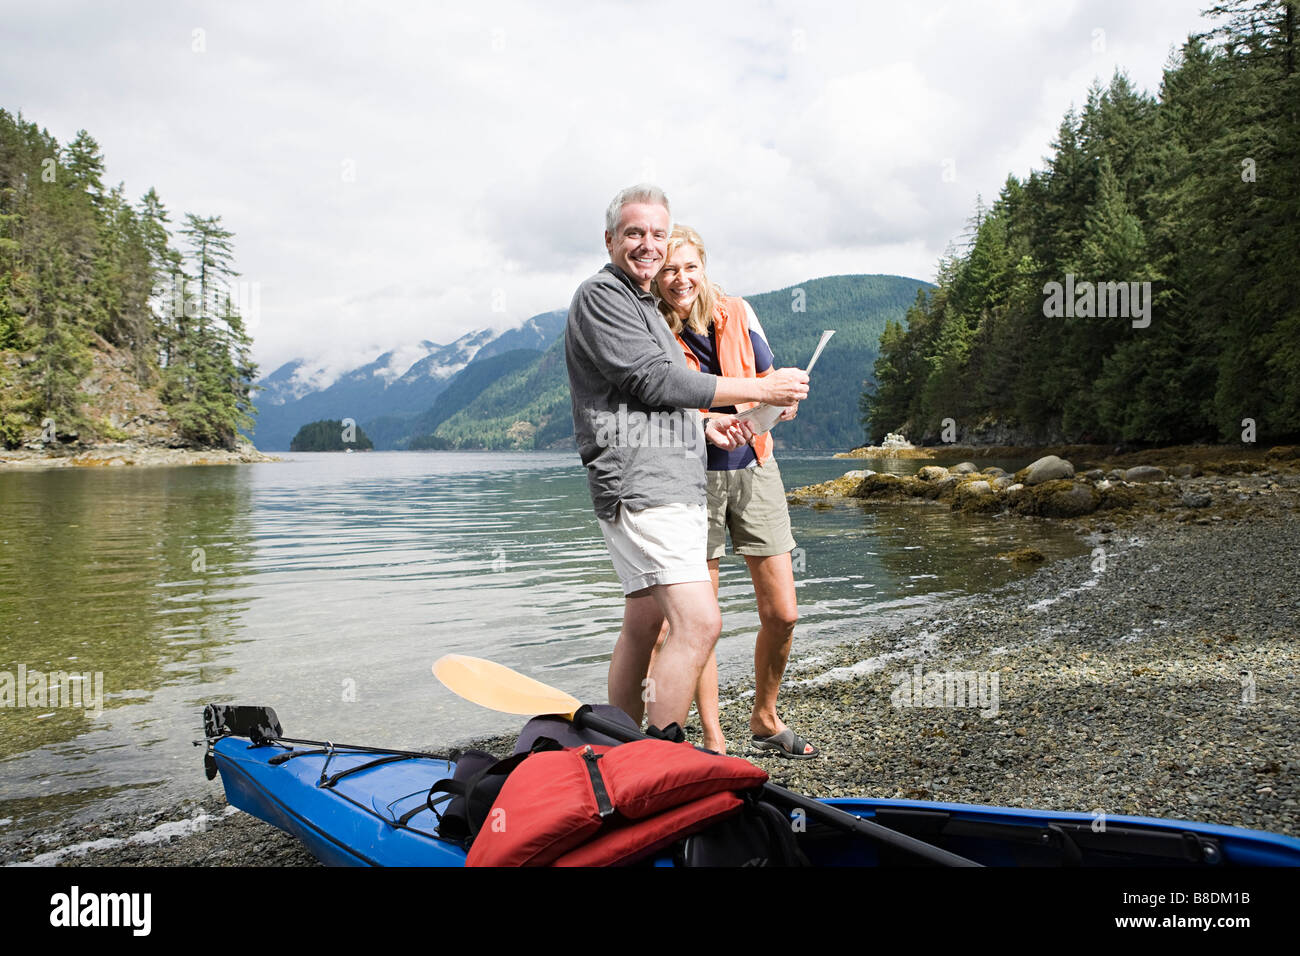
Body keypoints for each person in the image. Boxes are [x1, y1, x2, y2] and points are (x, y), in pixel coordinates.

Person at [564, 185, 808, 734]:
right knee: (699, 622)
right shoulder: (603, 296)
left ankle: (618, 745)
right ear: (609, 240)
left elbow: (660, 397)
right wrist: (760, 391)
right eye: (634, 233)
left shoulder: (643, 302)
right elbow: (654, 379)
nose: (648, 245)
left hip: (662, 478)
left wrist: (708, 423)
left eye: (657, 233)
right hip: (645, 484)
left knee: (645, 621)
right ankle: (662, 752)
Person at [648, 224, 816, 758]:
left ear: (704, 266)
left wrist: (785, 401)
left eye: (689, 267)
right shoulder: (649, 327)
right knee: (704, 618)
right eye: (669, 269)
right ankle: (715, 740)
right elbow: (655, 402)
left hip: (756, 468)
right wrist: (704, 422)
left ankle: (764, 718)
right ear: (655, 275)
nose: (680, 279)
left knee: (783, 612)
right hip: (689, 478)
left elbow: (767, 380)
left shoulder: (739, 312)